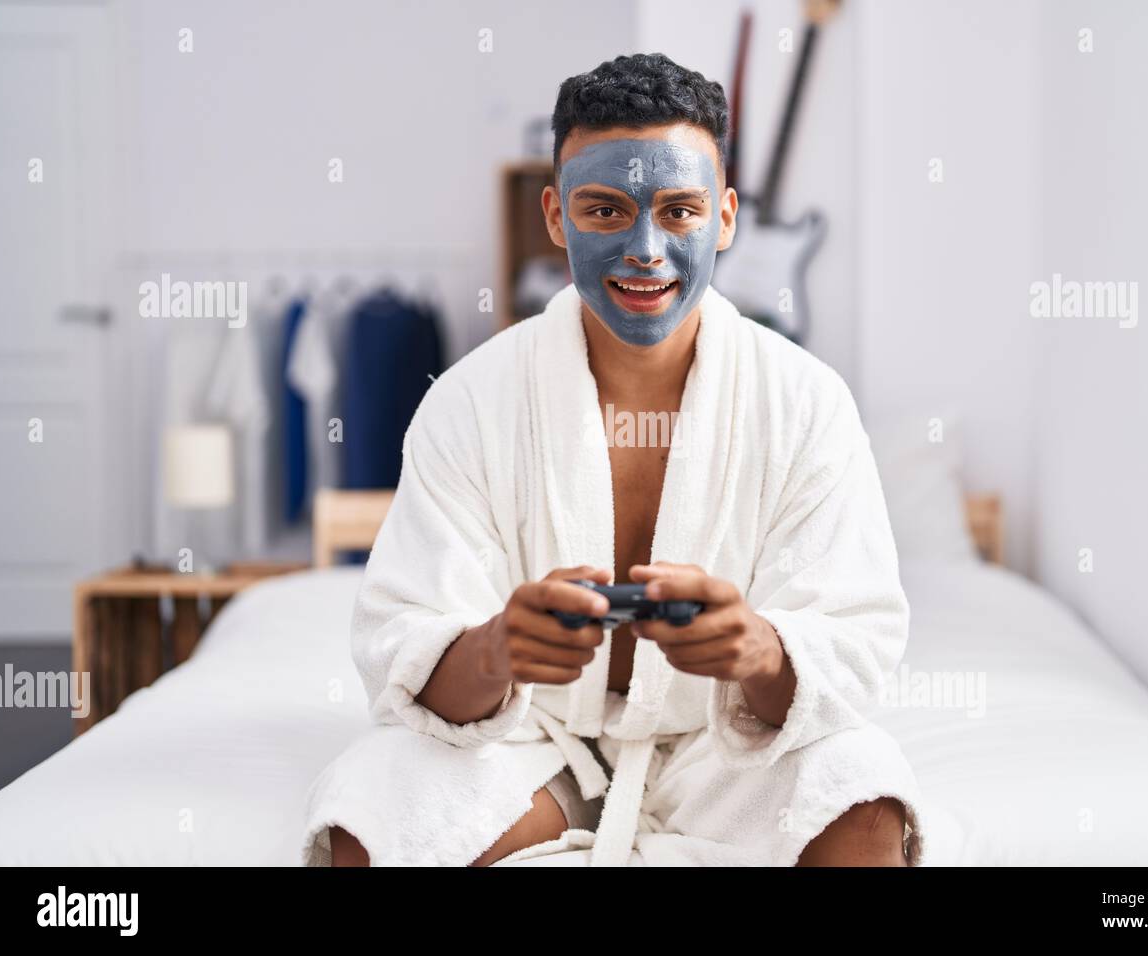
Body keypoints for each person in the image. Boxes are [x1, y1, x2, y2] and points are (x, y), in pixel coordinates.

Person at [302, 52, 923, 867]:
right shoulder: (470, 402)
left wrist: (759, 652)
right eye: (605, 210)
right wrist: (496, 649)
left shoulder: (808, 405)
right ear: (556, 217)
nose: (645, 249)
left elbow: (854, 644)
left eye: (678, 211)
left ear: (725, 217)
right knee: (369, 814)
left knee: (865, 795)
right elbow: (405, 650)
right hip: (534, 740)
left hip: (722, 752)